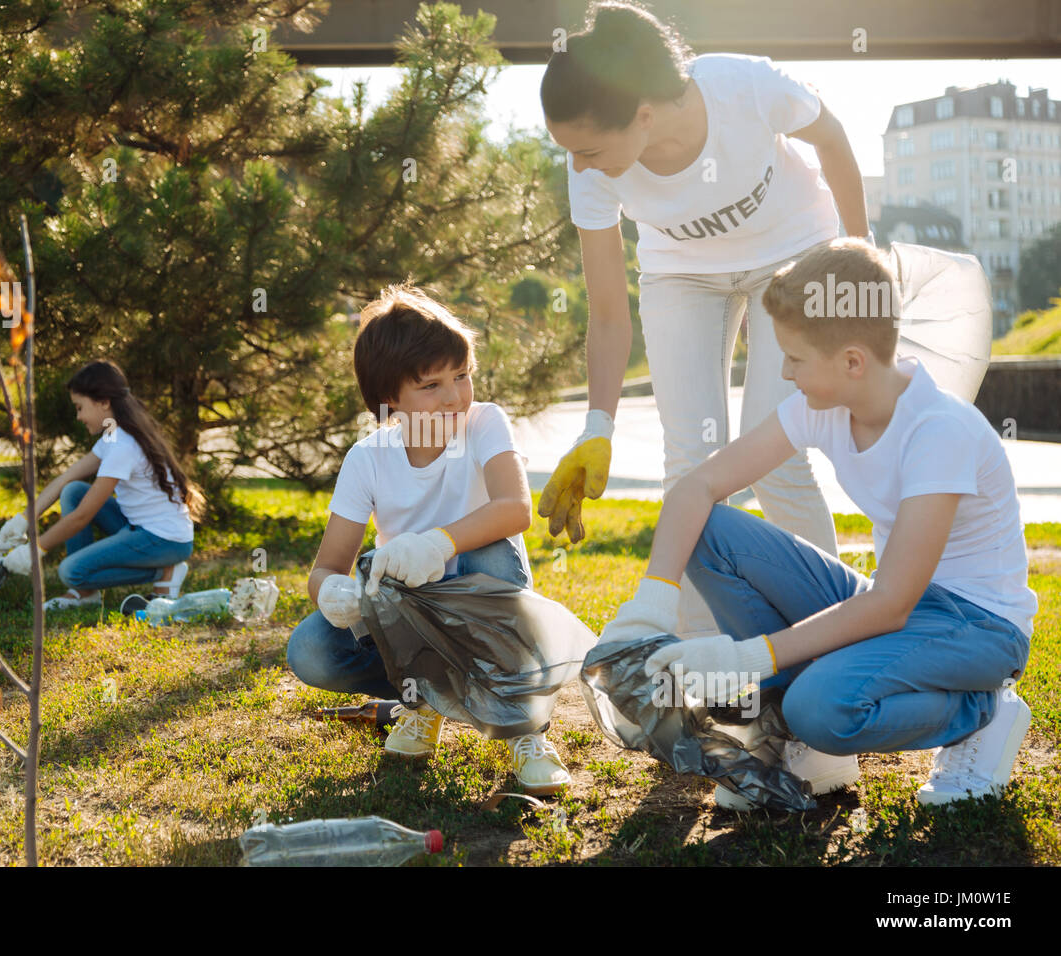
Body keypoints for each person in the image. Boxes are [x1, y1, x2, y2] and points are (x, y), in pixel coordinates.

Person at [600, 239, 1035, 808]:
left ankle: (980, 712)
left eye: (795, 358)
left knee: (821, 710)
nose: (784, 371)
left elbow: (892, 605)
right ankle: (789, 734)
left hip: (978, 626)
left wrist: (749, 656)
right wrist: (651, 602)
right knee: (710, 529)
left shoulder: (939, 431)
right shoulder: (822, 406)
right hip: (896, 603)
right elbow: (697, 487)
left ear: (852, 362)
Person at [540, 0, 871, 636]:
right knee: (689, 461)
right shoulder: (593, 171)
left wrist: (860, 262)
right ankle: (694, 656)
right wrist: (596, 426)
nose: (578, 165)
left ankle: (833, 636)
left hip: (794, 256)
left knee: (776, 455)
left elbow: (831, 137)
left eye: (587, 148)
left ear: (641, 114)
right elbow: (609, 314)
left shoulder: (745, 86)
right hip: (682, 274)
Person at [286, 283, 573, 795]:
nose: (454, 396)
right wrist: (333, 593)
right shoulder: (368, 458)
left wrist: (438, 544)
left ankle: (526, 730)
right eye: (431, 385)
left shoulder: (484, 422)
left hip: (488, 612)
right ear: (389, 398)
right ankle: (423, 701)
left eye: (461, 376)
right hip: (412, 626)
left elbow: (515, 509)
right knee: (310, 648)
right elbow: (327, 566)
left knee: (487, 541)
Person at [0, 360, 203, 611]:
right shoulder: (113, 436)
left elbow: (82, 516)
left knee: (70, 570)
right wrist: (23, 520)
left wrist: (36, 549)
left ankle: (162, 570)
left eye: (80, 407)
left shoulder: (122, 445)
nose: (78, 416)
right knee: (72, 490)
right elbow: (66, 479)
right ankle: (85, 594)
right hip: (138, 528)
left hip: (165, 540)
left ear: (104, 402)